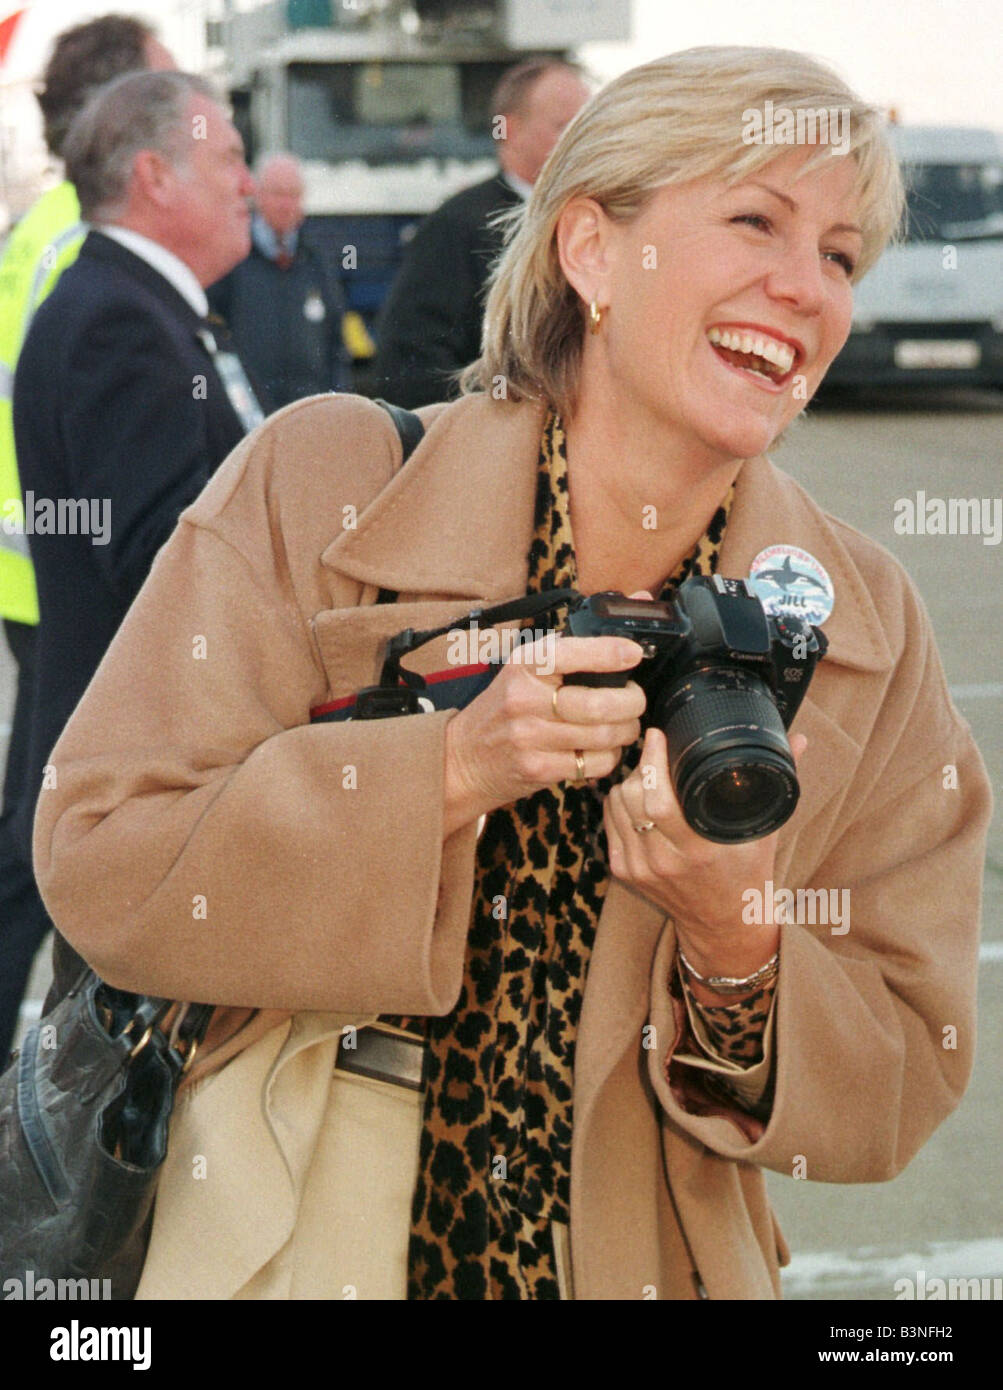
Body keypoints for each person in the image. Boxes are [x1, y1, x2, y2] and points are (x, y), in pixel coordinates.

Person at [33, 48, 991, 1301]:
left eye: (839, 256)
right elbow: (106, 859)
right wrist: (442, 770)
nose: (803, 287)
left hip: (647, 1247)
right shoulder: (323, 485)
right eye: (755, 220)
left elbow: (907, 1068)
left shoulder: (863, 623)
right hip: (299, 1225)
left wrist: (735, 939)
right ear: (590, 250)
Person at [14, 70, 260, 1012]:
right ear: (156, 175)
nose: (247, 179)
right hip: (148, 782)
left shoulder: (134, 307)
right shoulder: (121, 320)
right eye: (230, 155)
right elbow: (168, 557)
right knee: (128, 1109)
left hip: (142, 774)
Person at [0, 13, 174, 1064]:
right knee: (48, 838)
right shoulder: (80, 232)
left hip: (37, 562)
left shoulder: (54, 222)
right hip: (58, 572)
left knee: (42, 829)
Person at [373, 58, 589, 408]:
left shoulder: (597, 226)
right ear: (510, 130)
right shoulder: (456, 226)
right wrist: (499, 420)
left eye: (588, 127)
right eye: (564, 126)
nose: (581, 142)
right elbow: (411, 362)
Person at [208, 152, 352, 411]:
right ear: (257, 195)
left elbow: (336, 345)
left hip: (308, 418)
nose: (286, 204)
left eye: (293, 195)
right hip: (249, 416)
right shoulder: (230, 259)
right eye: (277, 194)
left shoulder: (317, 263)